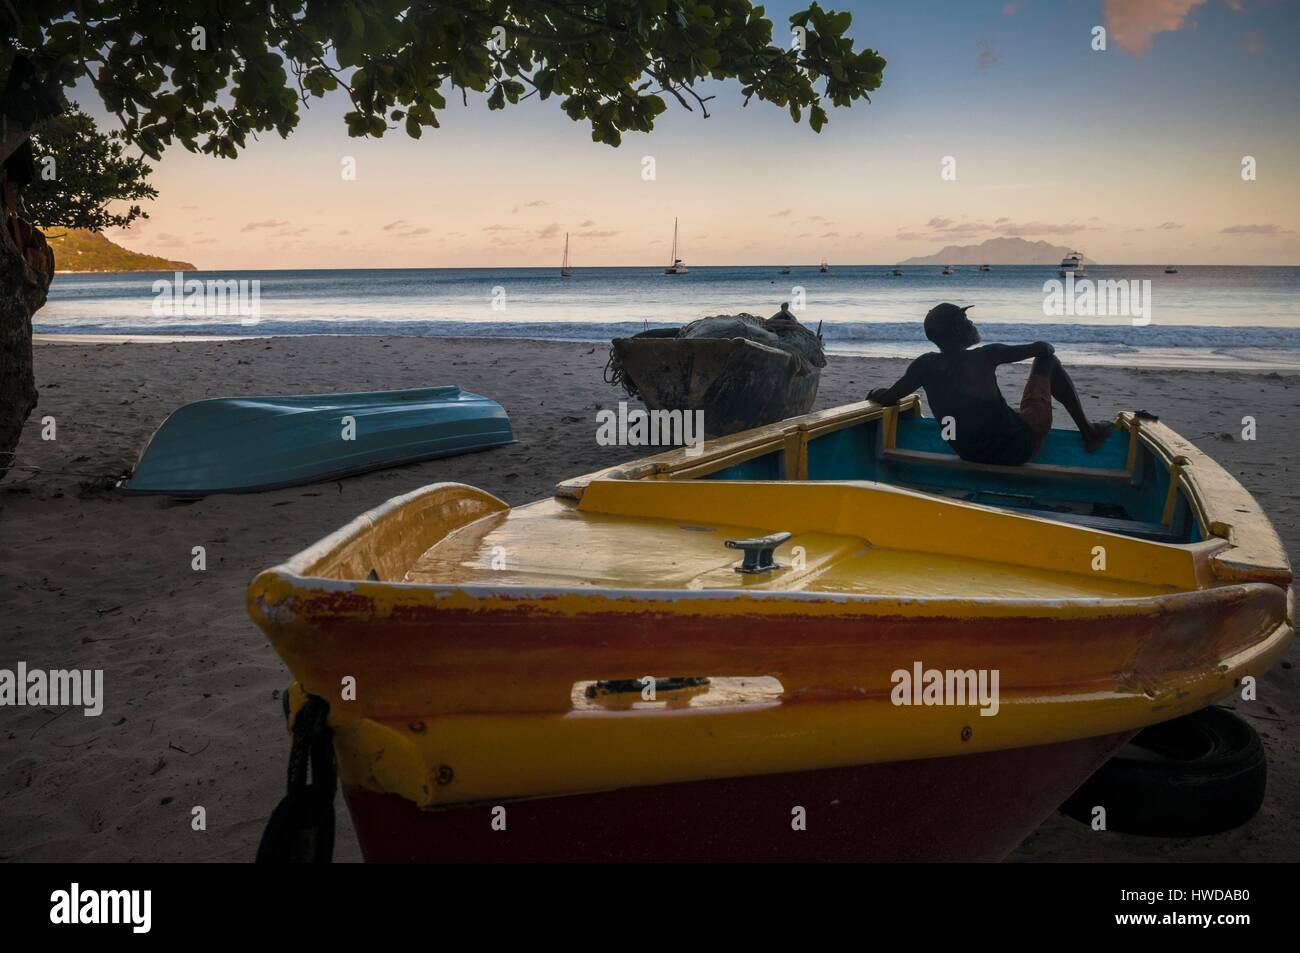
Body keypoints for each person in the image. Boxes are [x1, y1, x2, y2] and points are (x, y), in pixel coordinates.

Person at [866, 303, 1114, 465]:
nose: (970, 323)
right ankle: (1089, 432)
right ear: (958, 330)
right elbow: (1043, 348)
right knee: (1048, 361)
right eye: (964, 320)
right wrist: (1042, 347)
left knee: (1005, 413)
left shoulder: (924, 365)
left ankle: (1031, 420)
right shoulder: (986, 355)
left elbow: (888, 397)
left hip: (968, 452)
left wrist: (876, 392)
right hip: (1017, 450)